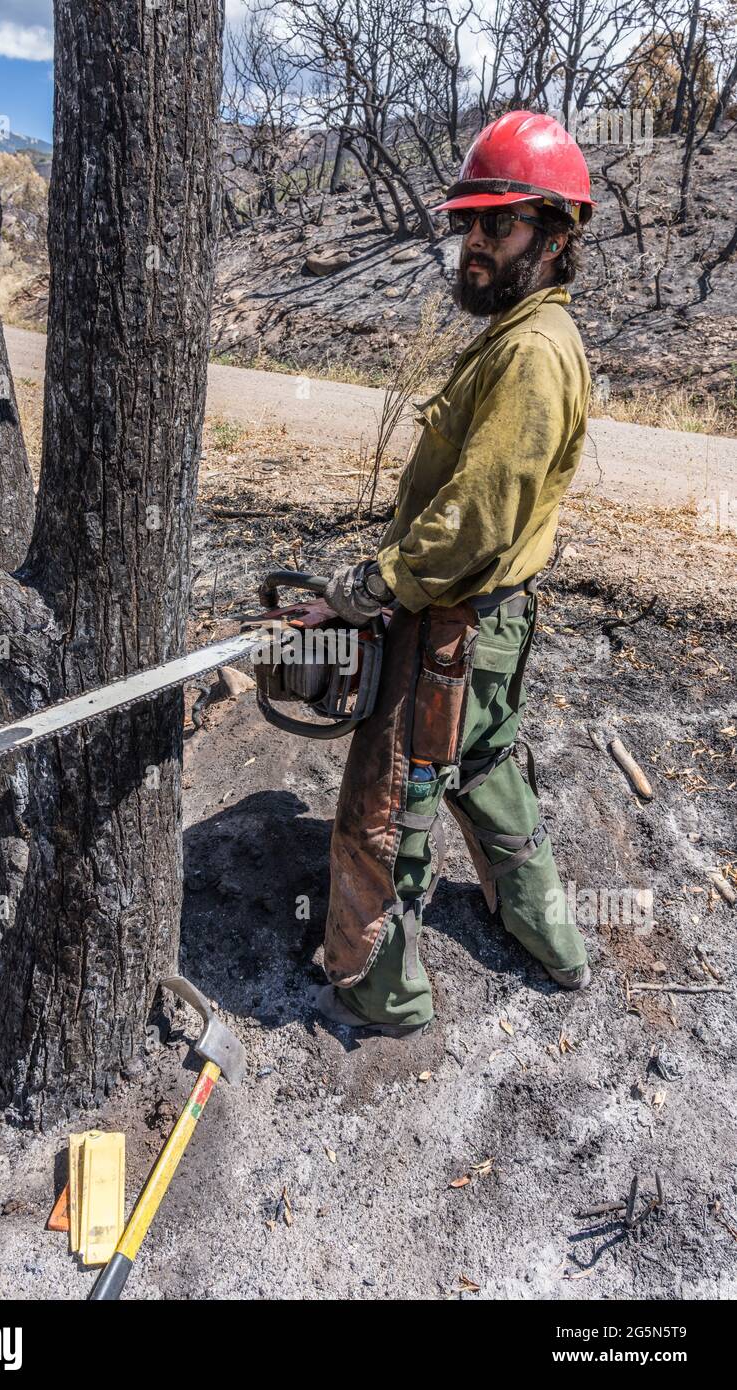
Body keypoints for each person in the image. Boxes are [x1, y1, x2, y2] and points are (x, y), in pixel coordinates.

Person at [318, 110, 595, 1037]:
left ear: (555, 238)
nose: (473, 243)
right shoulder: (524, 334)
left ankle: (378, 991)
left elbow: (477, 518)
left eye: (499, 224)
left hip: (456, 621)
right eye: (468, 224)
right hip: (492, 619)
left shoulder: (530, 352)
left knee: (383, 803)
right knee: (484, 767)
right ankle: (551, 937)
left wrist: (382, 580)